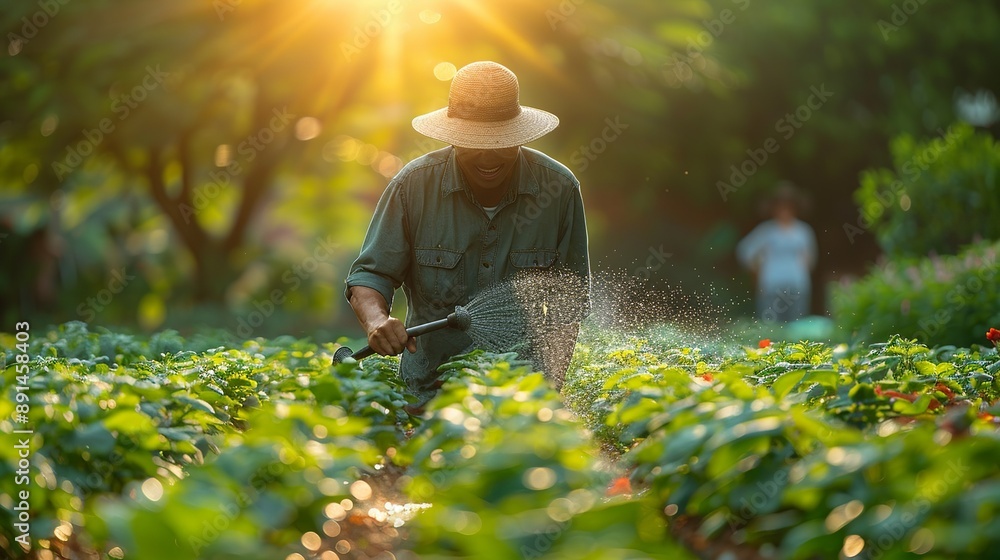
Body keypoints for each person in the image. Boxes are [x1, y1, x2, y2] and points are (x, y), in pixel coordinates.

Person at [344, 61, 591, 407]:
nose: (487, 155)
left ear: (520, 135)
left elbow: (568, 300)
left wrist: (549, 391)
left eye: (501, 142)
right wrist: (376, 322)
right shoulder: (412, 186)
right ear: (452, 136)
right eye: (473, 142)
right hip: (427, 394)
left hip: (519, 398)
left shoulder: (559, 190)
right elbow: (370, 275)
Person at [736, 182, 817, 322]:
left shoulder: (803, 231)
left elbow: (811, 257)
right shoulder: (767, 231)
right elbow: (745, 251)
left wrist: (801, 268)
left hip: (796, 285)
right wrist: (756, 270)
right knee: (771, 328)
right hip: (772, 285)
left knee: (796, 327)